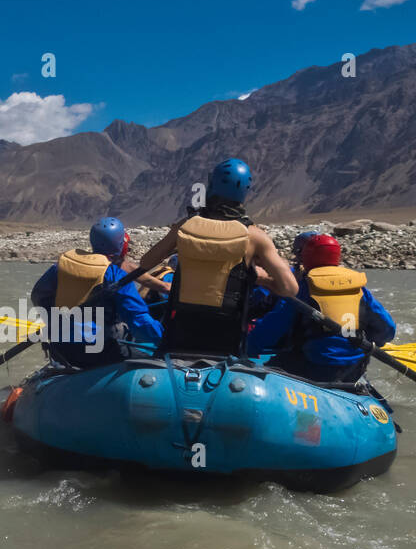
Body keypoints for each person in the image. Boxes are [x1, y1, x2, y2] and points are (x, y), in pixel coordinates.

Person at [132, 158, 297, 356]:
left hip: (180, 329)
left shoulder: (185, 226)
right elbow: (289, 288)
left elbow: (146, 263)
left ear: (212, 186)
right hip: (227, 336)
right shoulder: (255, 236)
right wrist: (261, 279)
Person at [246, 233, 395, 383]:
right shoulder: (360, 289)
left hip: (315, 366)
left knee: (272, 367)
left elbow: (271, 329)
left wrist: (248, 348)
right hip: (355, 368)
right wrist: (373, 341)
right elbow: (388, 330)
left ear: (305, 257)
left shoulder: (302, 289)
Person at [30, 216, 163, 367]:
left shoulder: (60, 267)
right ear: (121, 244)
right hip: (99, 351)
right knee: (154, 361)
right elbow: (139, 321)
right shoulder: (115, 275)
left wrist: (55, 323)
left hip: (61, 348)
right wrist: (166, 339)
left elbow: (38, 295)